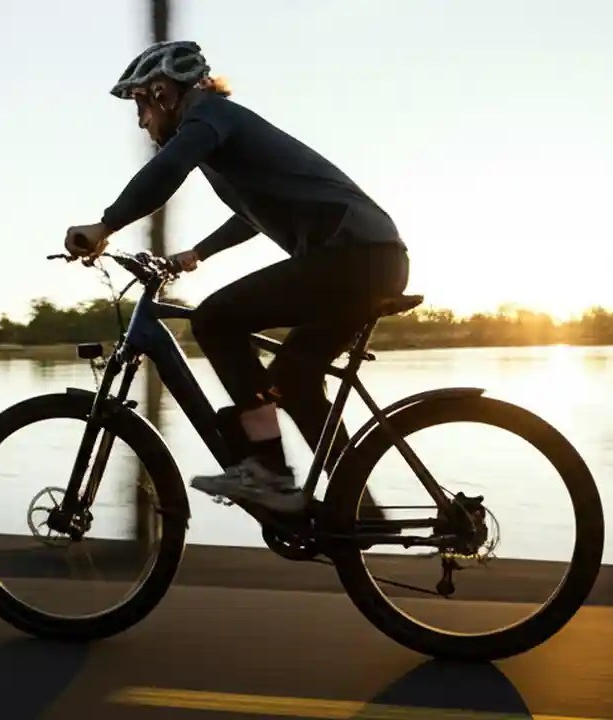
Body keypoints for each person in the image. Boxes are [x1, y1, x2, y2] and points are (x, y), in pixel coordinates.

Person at [63, 40, 409, 514]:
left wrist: (106, 225)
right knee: (296, 383)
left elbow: (167, 169)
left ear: (163, 92)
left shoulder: (209, 118)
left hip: (356, 259)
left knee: (214, 320)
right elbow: (252, 214)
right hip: (369, 260)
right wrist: (197, 254)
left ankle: (267, 471)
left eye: (141, 104)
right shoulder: (223, 129)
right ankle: (358, 511)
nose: (141, 121)